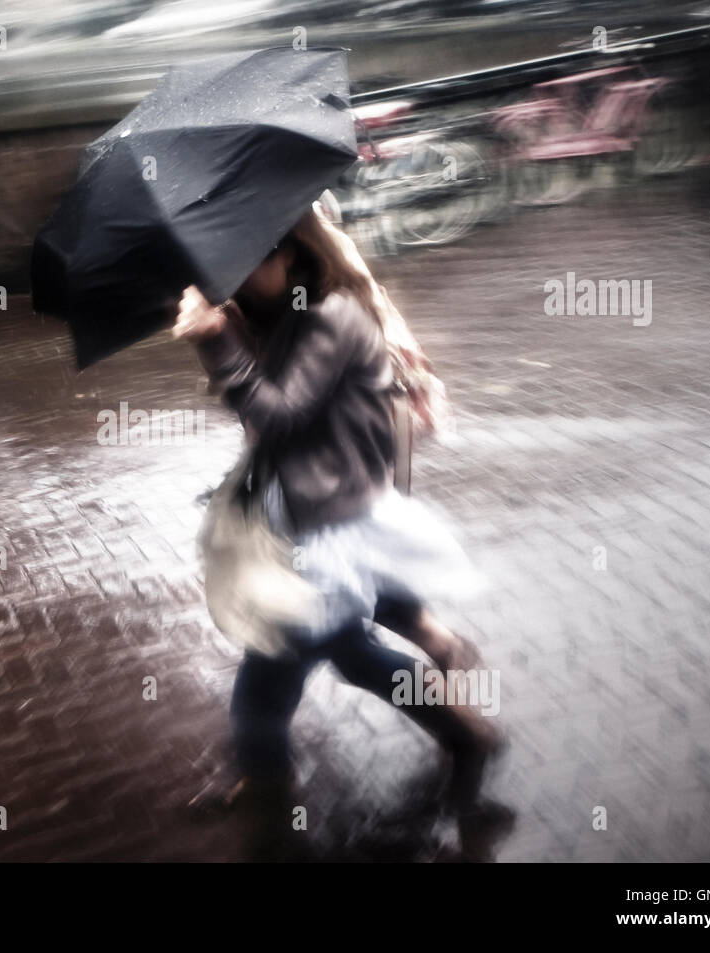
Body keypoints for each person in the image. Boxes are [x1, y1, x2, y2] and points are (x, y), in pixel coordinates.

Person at [176, 203, 506, 853]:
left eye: (250, 263)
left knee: (262, 695)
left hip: (333, 532)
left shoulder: (331, 318)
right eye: (228, 267)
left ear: (290, 254)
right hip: (311, 524)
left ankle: (269, 810)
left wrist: (214, 338)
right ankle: (463, 731)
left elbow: (278, 417)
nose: (237, 278)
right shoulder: (281, 317)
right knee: (351, 655)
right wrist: (233, 331)